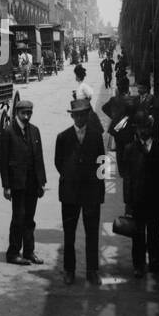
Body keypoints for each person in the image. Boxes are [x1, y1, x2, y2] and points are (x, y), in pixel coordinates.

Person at [55, 97, 107, 285]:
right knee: (69, 234)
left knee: (92, 233)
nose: (79, 119)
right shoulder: (63, 137)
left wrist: (100, 191)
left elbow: (102, 163)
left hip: (91, 193)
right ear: (72, 117)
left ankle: (92, 271)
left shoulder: (95, 136)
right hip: (69, 193)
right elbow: (58, 163)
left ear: (87, 115)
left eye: (83, 115)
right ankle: (69, 270)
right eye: (76, 115)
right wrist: (72, 176)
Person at [0, 97, 46, 266]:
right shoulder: (9, 132)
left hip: (32, 183)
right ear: (17, 113)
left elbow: (39, 158)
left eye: (29, 113)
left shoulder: (35, 130)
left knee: (30, 219)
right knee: (18, 218)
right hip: (17, 184)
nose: (27, 116)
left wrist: (41, 182)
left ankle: (29, 252)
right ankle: (13, 253)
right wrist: (6, 186)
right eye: (24, 113)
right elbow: (3, 162)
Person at [124, 112, 159, 277]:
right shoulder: (130, 149)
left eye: (145, 127)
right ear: (136, 129)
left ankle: (155, 263)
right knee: (138, 233)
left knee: (155, 233)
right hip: (138, 199)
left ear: (150, 128)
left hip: (155, 198)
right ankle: (138, 265)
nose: (142, 131)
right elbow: (127, 177)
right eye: (140, 128)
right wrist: (127, 201)